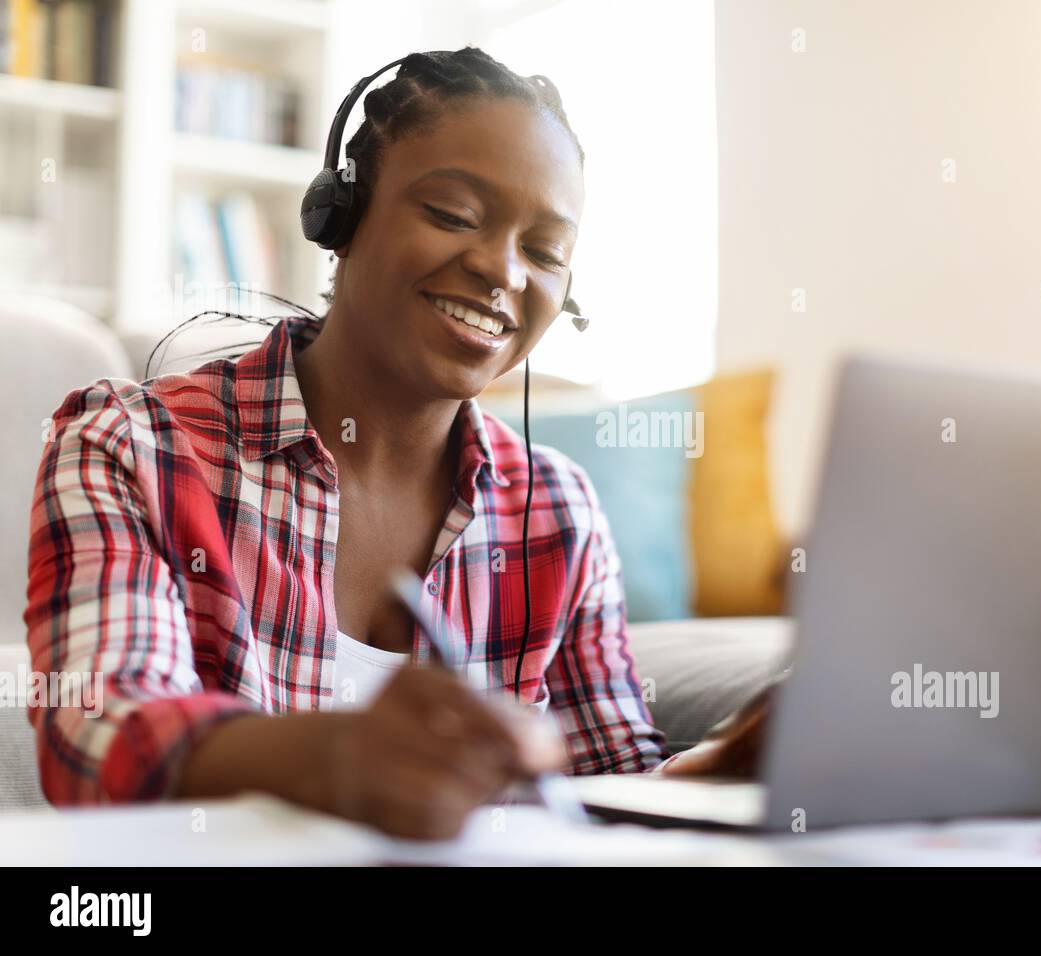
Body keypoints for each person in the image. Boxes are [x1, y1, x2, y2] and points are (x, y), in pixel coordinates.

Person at [25, 48, 762, 840]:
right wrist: (335, 758)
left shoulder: (557, 510)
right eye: (452, 214)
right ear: (340, 217)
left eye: (545, 252)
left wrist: (721, 773)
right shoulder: (131, 447)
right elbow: (98, 741)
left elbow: (611, 794)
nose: (501, 270)